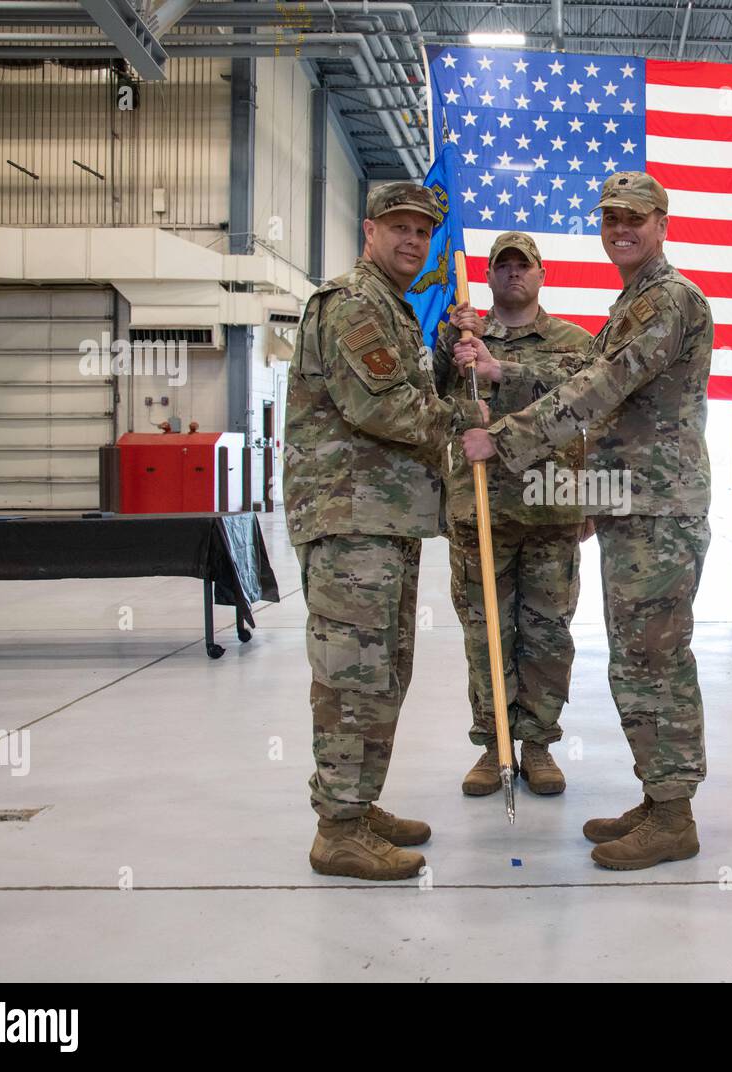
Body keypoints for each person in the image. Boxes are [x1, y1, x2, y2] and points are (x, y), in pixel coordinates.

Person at [461, 172, 713, 871]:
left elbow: (599, 386)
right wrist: (504, 376)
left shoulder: (668, 299)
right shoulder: (633, 302)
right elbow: (586, 384)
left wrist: (504, 438)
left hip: (659, 509)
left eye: (634, 218)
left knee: (655, 660)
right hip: (634, 506)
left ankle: (674, 815)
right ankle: (658, 801)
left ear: (662, 224)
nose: (619, 229)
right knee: (636, 659)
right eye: (609, 218)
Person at [283, 182, 488, 881]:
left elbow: (410, 390)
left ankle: (358, 805)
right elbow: (382, 408)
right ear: (369, 230)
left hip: (384, 520)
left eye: (422, 231)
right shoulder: (351, 303)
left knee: (382, 673)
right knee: (352, 676)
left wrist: (447, 348)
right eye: (398, 227)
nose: (412, 240)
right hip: (350, 520)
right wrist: (467, 423)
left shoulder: (391, 308)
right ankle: (337, 829)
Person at [434, 232, 592, 797]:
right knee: (486, 635)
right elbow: (430, 403)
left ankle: (539, 744)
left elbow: (583, 403)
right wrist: (451, 351)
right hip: (481, 510)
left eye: (523, 265)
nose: (513, 273)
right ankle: (493, 743)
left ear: (542, 273)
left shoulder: (574, 342)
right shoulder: (461, 341)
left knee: (548, 634)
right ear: (489, 276)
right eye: (502, 266)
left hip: (553, 509)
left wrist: (502, 371)